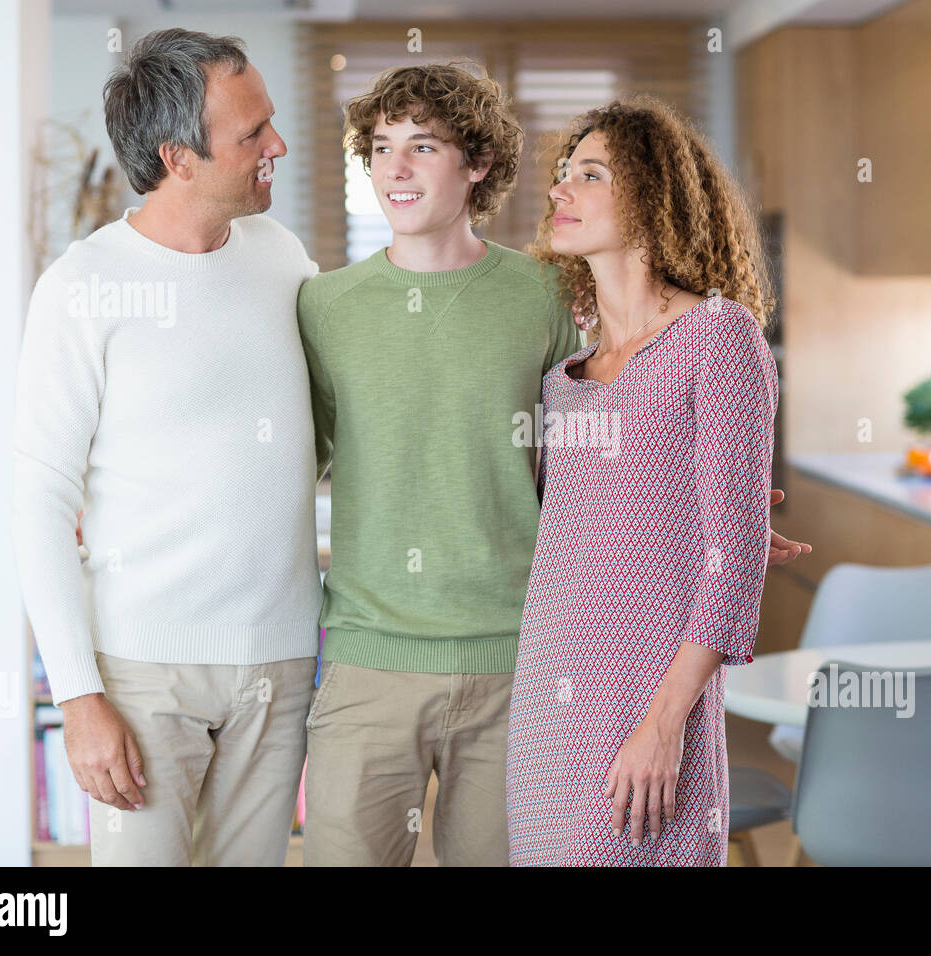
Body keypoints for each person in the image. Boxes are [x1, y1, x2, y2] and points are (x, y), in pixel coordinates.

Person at [297, 64, 809, 867]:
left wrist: (726, 531)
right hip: (428, 661)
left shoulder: (571, 304)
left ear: (476, 165)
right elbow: (584, 481)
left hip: (530, 662)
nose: (395, 167)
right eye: (381, 147)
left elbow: (684, 492)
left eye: (422, 145)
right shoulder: (327, 307)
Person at [12, 29, 321, 866]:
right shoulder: (82, 287)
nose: (277, 147)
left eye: (271, 123)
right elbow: (40, 498)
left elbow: (320, 434)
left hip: (280, 661)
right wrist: (80, 699)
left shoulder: (287, 259)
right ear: (177, 157)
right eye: (250, 134)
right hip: (144, 673)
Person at [506, 95, 796, 865]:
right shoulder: (563, 378)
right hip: (547, 691)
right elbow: (584, 531)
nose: (561, 191)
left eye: (590, 175)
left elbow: (731, 564)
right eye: (563, 176)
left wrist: (665, 723)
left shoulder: (718, 336)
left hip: (652, 698)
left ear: (653, 193)